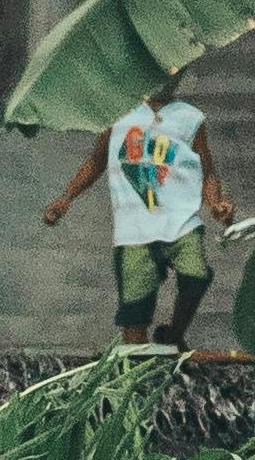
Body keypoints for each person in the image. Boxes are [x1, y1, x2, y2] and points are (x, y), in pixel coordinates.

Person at [46, 92, 233, 346]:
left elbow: (207, 168)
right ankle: (135, 369)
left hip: (181, 223)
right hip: (134, 231)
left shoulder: (191, 117)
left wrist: (215, 203)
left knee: (196, 275)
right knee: (135, 311)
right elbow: (96, 160)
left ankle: (174, 335)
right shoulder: (119, 111)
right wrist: (67, 197)